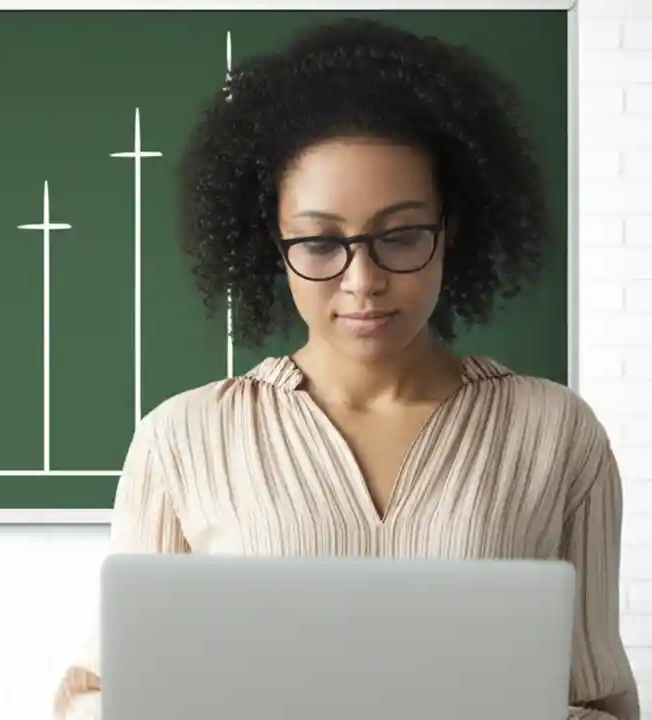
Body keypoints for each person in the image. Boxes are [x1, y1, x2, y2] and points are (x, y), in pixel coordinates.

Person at [51, 17, 639, 720]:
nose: (363, 282)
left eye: (401, 236)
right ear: (274, 244)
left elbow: (595, 697)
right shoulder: (183, 438)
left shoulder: (554, 432)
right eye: (320, 243)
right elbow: (104, 696)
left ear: (451, 230)